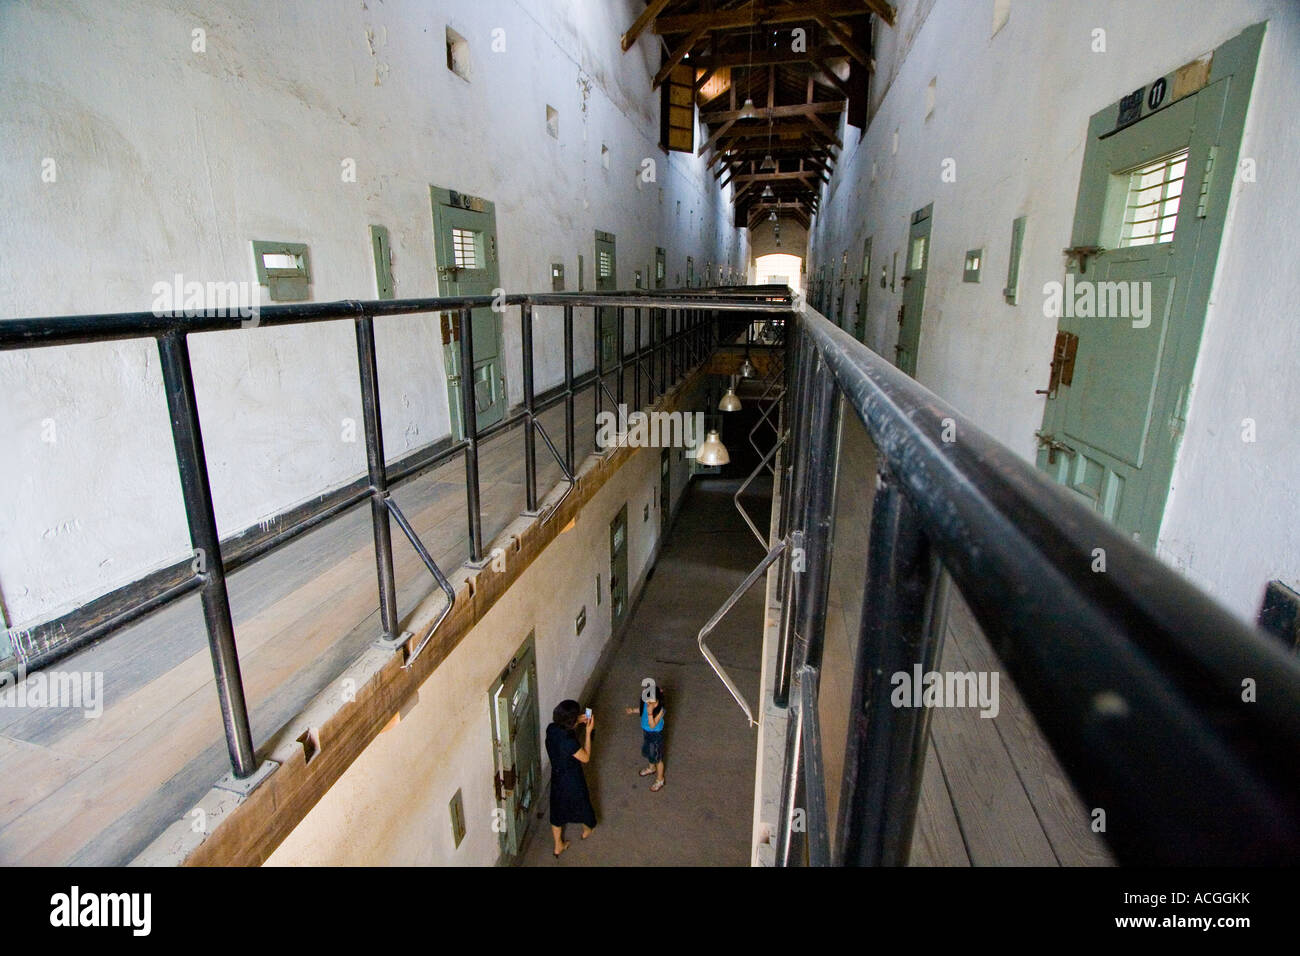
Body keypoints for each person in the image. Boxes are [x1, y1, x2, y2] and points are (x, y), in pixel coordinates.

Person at [546, 699, 596, 857]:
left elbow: (564, 729)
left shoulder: (552, 729)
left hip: (557, 776)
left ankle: (558, 845)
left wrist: (577, 721)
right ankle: (587, 829)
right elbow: (586, 757)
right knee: (582, 803)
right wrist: (588, 733)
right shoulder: (569, 742)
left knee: (557, 809)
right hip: (572, 777)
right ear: (571, 722)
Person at [625, 679, 666, 791]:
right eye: (647, 702)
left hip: (655, 735)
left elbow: (652, 724)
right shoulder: (646, 704)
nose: (649, 704)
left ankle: (660, 779)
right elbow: (642, 709)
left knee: (657, 757)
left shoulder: (661, 711)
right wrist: (633, 710)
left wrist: (650, 712)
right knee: (649, 751)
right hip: (646, 733)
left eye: (651, 702)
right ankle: (651, 768)